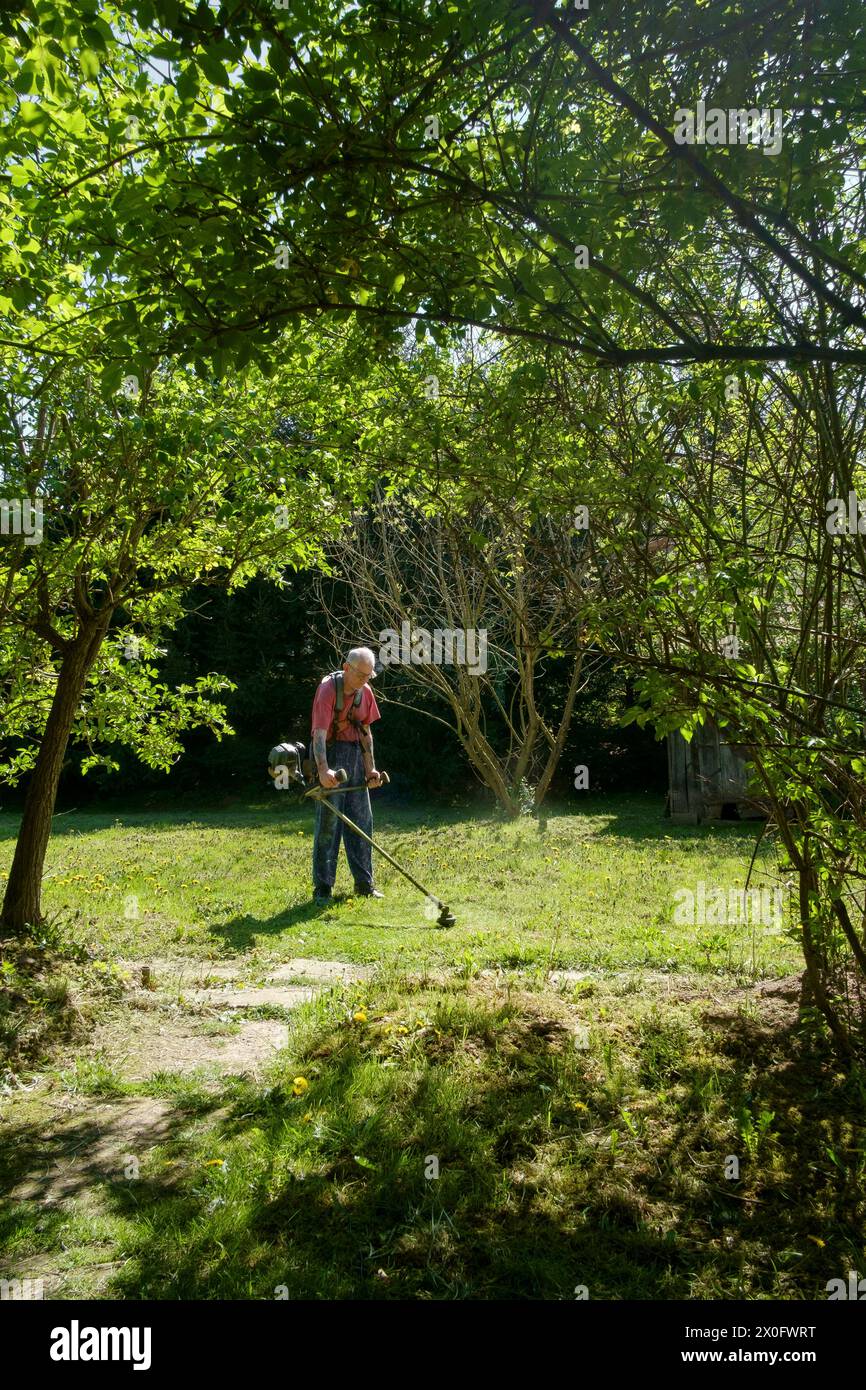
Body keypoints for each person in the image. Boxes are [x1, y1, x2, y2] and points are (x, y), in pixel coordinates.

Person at [310, 646, 384, 905]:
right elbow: (318, 733)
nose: (364, 680)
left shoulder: (366, 692)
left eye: (368, 675)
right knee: (329, 825)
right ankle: (322, 888)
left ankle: (364, 885)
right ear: (346, 668)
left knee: (363, 822)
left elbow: (365, 732)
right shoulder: (328, 689)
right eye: (360, 675)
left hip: (354, 755)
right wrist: (322, 770)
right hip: (330, 755)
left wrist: (371, 769)